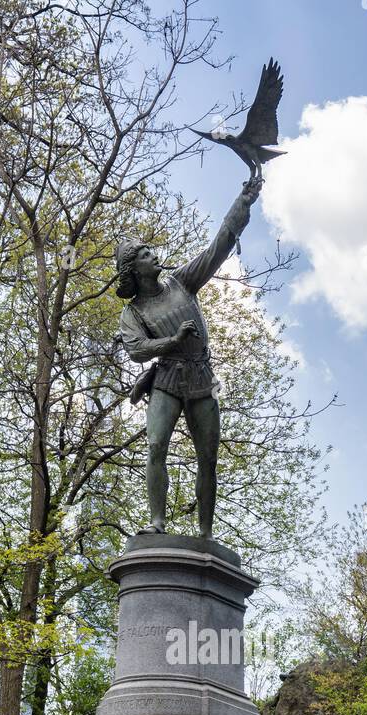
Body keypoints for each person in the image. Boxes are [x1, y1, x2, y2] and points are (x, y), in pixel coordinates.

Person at [116, 173, 263, 538]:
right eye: (146, 255)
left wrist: (242, 202)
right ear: (136, 270)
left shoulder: (182, 282)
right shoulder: (133, 312)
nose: (154, 256)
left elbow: (218, 247)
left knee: (208, 460)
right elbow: (136, 350)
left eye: (151, 251)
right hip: (166, 381)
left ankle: (205, 533)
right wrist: (172, 341)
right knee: (155, 446)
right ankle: (157, 522)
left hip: (200, 379)